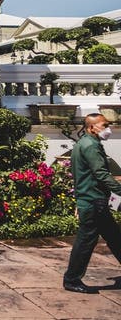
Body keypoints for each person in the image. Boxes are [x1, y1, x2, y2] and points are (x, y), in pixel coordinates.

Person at [63, 112, 121, 293]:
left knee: (114, 237)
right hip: (93, 200)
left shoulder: (85, 143)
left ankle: (72, 278)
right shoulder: (90, 146)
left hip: (93, 199)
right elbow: (101, 174)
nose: (107, 129)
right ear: (91, 128)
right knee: (86, 241)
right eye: (104, 125)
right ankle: (72, 279)